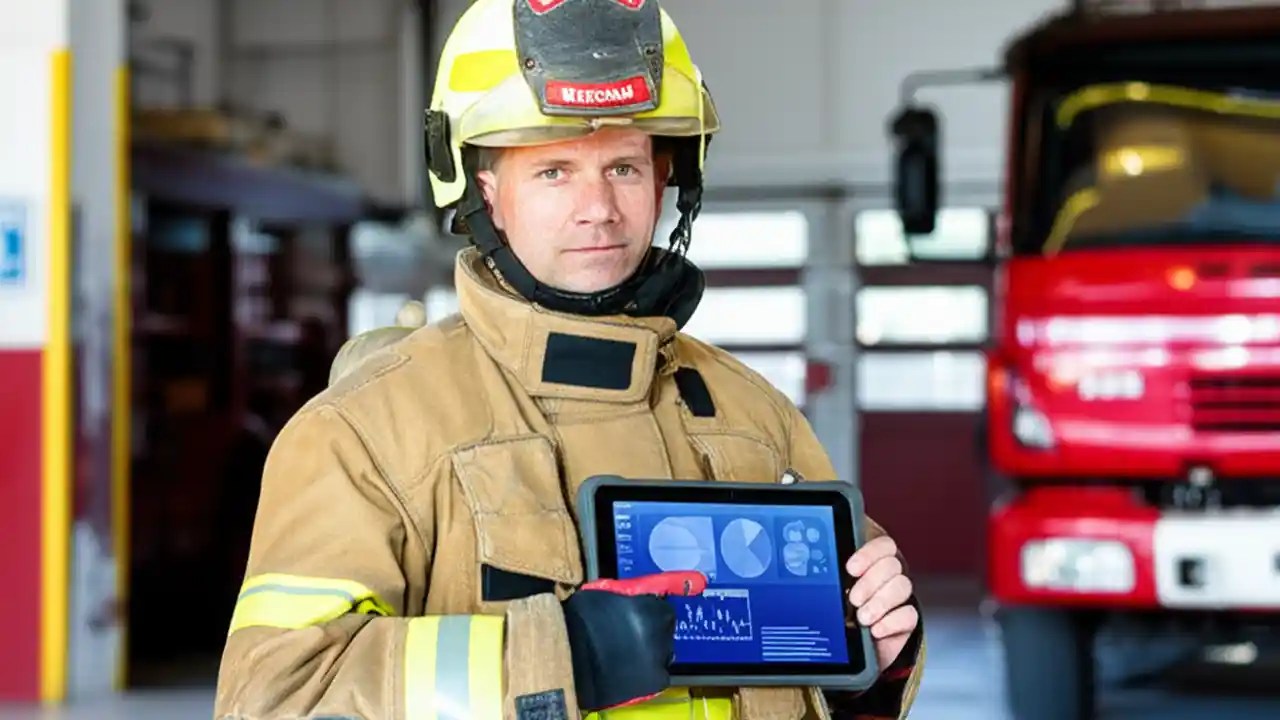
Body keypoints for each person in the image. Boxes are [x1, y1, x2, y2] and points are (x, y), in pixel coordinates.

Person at [214, 0, 925, 718]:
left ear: (666, 179)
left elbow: (822, 686)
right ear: (485, 193)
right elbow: (277, 697)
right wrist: (559, 659)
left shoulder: (755, 416)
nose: (599, 208)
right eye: (553, 171)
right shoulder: (366, 431)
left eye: (624, 167)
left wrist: (873, 670)